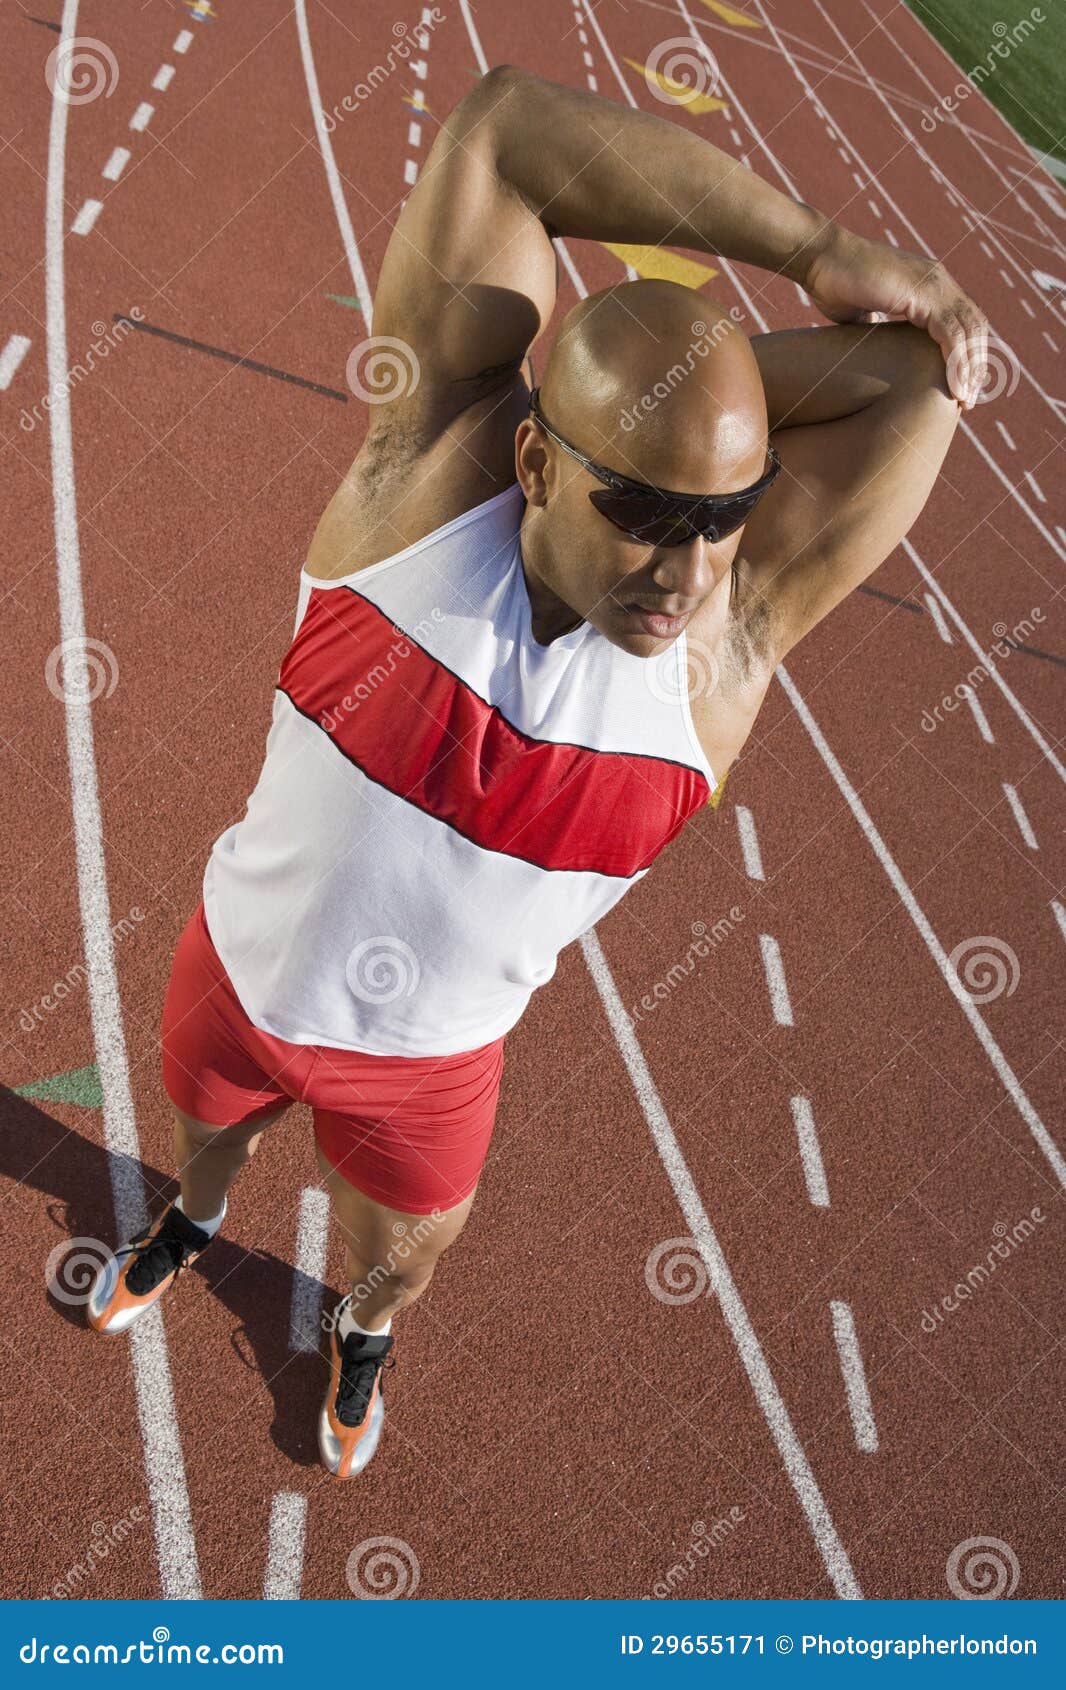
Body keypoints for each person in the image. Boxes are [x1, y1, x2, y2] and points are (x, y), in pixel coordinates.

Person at [87, 65, 988, 1478]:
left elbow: (914, 375)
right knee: (202, 1140)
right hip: (240, 971)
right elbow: (501, 129)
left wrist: (683, 410)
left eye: (721, 518)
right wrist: (808, 251)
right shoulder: (426, 476)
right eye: (637, 505)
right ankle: (190, 1219)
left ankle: (363, 1337)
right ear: (533, 459)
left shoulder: (722, 646)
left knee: (403, 1260)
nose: (684, 570)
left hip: (432, 1071)